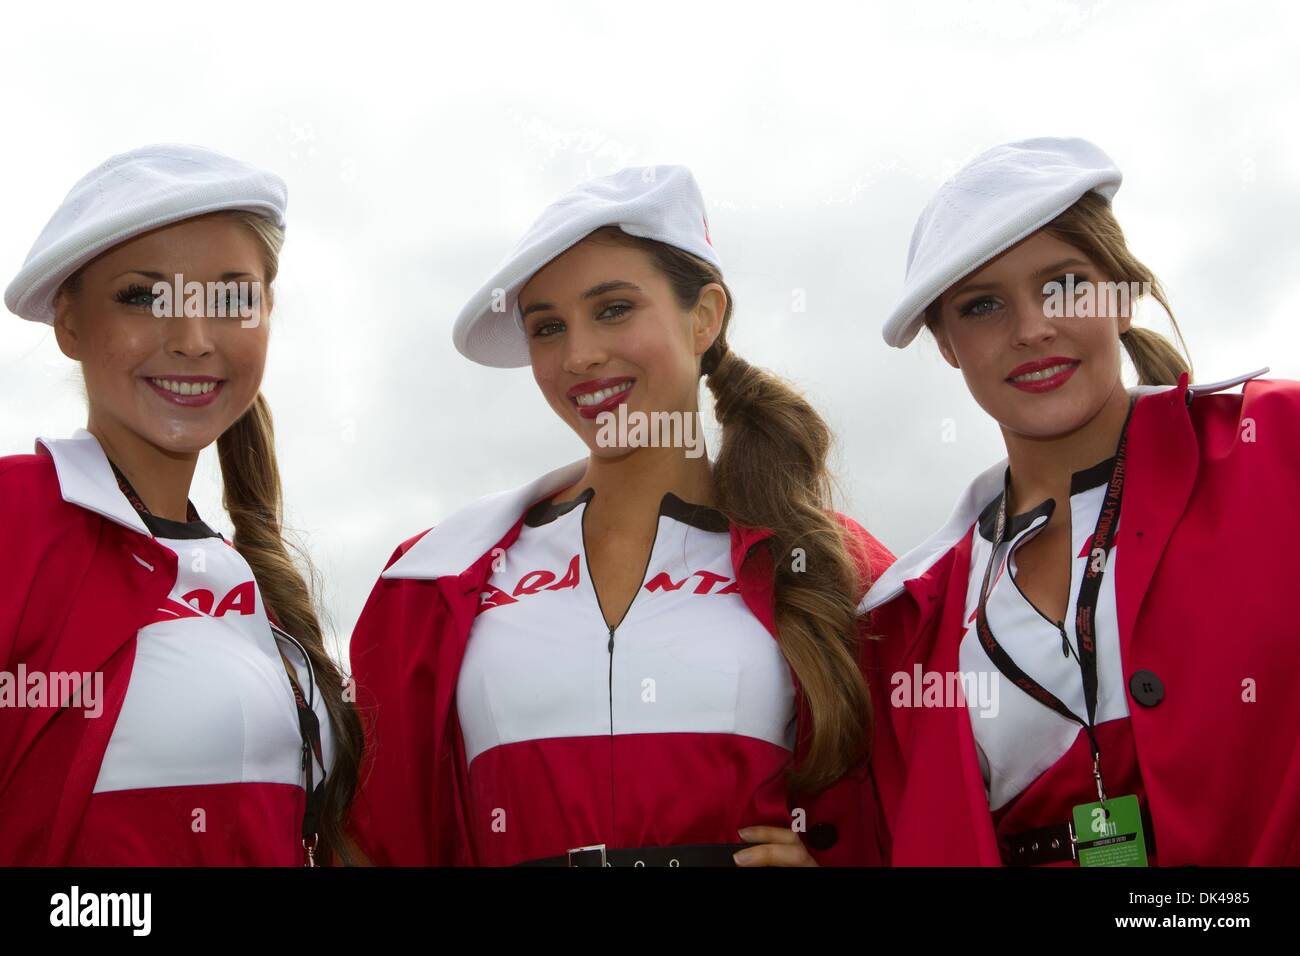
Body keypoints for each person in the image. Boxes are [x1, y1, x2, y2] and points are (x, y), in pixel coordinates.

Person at [348, 165, 895, 866]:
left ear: (705, 316)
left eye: (612, 309)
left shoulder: (834, 567)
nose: (579, 356)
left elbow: (925, 814)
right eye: (548, 328)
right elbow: (375, 834)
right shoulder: (433, 577)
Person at [861, 136, 1300, 866]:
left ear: (1122, 296)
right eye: (983, 305)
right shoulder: (911, 616)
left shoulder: (1278, 445)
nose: (1032, 328)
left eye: (1065, 284)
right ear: (945, 343)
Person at [0, 144, 362, 865]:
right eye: (144, 296)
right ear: (68, 323)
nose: (194, 341)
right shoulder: (16, 517)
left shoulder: (246, 580)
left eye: (230, 299)